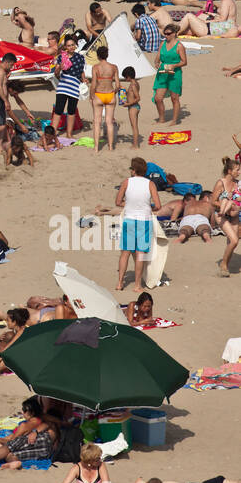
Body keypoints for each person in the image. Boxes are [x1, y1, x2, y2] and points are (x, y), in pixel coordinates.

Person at [115, 157, 161, 291]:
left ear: (133, 170)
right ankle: (137, 285)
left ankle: (119, 283)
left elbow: (118, 202)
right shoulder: (150, 184)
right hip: (144, 220)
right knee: (140, 253)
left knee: (125, 253)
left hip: (129, 219)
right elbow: (158, 206)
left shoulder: (126, 182)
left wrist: (129, 204)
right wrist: (147, 207)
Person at [153, 24, 186, 124]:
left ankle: (175, 120)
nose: (166, 36)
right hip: (162, 73)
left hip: (175, 74)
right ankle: (162, 118)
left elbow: (184, 62)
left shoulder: (179, 46)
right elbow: (157, 58)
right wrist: (157, 63)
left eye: (168, 34)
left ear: (174, 34)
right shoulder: (162, 44)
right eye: (164, 34)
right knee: (158, 98)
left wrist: (174, 65)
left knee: (174, 98)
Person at [89, 44, 120, 154]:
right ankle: (111, 146)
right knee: (109, 122)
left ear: (98, 56)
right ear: (107, 55)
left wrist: (91, 95)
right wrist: (114, 92)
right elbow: (117, 85)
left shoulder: (96, 67)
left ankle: (96, 147)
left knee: (97, 122)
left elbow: (93, 84)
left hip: (99, 94)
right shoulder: (113, 67)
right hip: (110, 94)